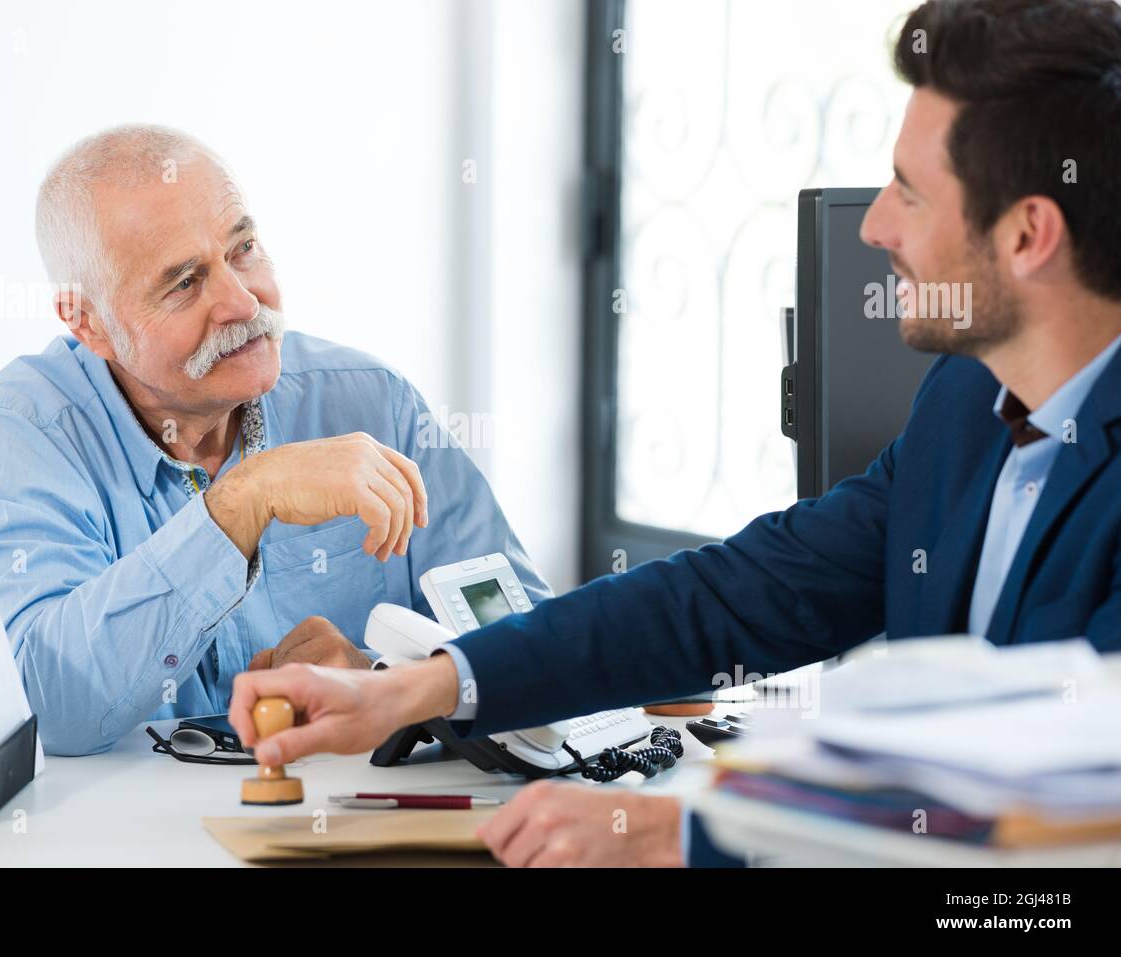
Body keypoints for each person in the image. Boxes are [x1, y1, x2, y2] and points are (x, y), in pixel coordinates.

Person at [228, 0, 1121, 866]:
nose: (877, 226)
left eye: (912, 195)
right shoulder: (967, 400)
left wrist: (697, 838)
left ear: (1028, 234)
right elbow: (739, 594)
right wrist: (416, 686)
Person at [0, 125, 547, 756]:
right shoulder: (18, 438)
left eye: (244, 249)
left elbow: (533, 655)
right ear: (88, 321)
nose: (242, 301)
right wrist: (242, 502)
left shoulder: (371, 401)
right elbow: (44, 707)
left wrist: (387, 684)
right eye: (184, 282)